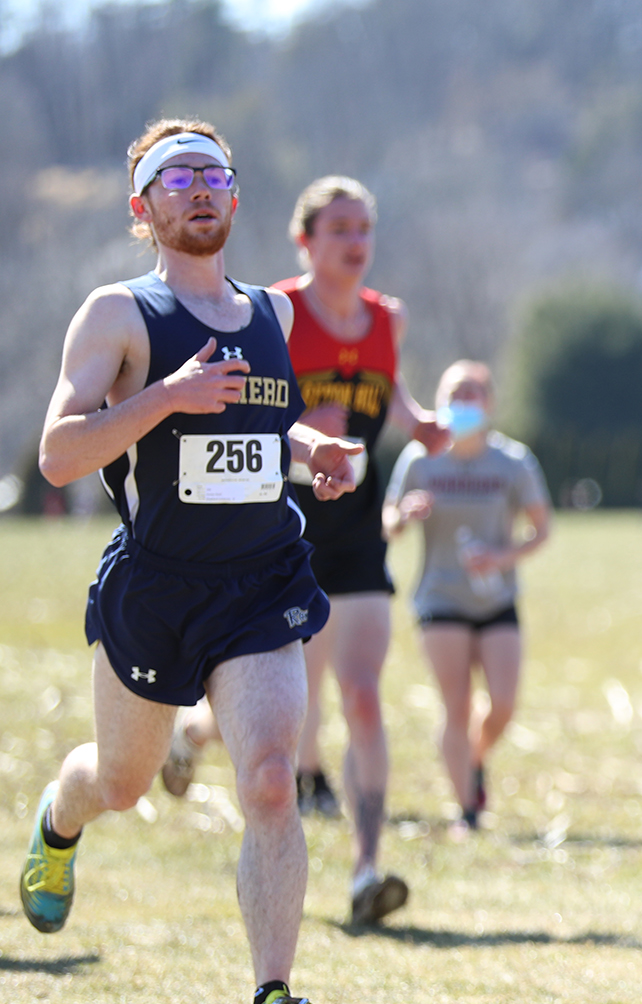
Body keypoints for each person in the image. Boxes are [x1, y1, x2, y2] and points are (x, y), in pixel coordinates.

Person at [20, 119, 363, 1004]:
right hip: (158, 589)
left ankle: (272, 1002)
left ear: (237, 195)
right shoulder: (117, 315)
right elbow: (57, 452)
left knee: (267, 779)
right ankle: (60, 815)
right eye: (176, 179)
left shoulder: (273, 315)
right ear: (144, 209)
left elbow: (260, 428)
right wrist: (164, 396)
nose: (200, 189)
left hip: (260, 584)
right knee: (124, 784)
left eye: (215, 173)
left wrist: (311, 451)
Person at [161, 176, 446, 927]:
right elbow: (246, 408)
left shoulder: (389, 319)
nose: (356, 241)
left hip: (355, 533)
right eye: (340, 228)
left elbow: (388, 389)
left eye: (365, 228)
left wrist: (418, 423)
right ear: (305, 241)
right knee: (286, 708)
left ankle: (365, 869)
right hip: (282, 530)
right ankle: (194, 730)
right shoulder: (272, 313)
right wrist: (303, 426)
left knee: (360, 693)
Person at [383, 362, 550, 832]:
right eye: (455, 393)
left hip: (497, 600)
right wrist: (405, 515)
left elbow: (542, 530)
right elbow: (388, 522)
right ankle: (467, 809)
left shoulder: (513, 462)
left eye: (474, 394)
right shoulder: (421, 459)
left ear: (490, 404)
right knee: (455, 705)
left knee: (503, 704)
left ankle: (474, 755)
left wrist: (501, 556)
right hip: (441, 599)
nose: (464, 403)